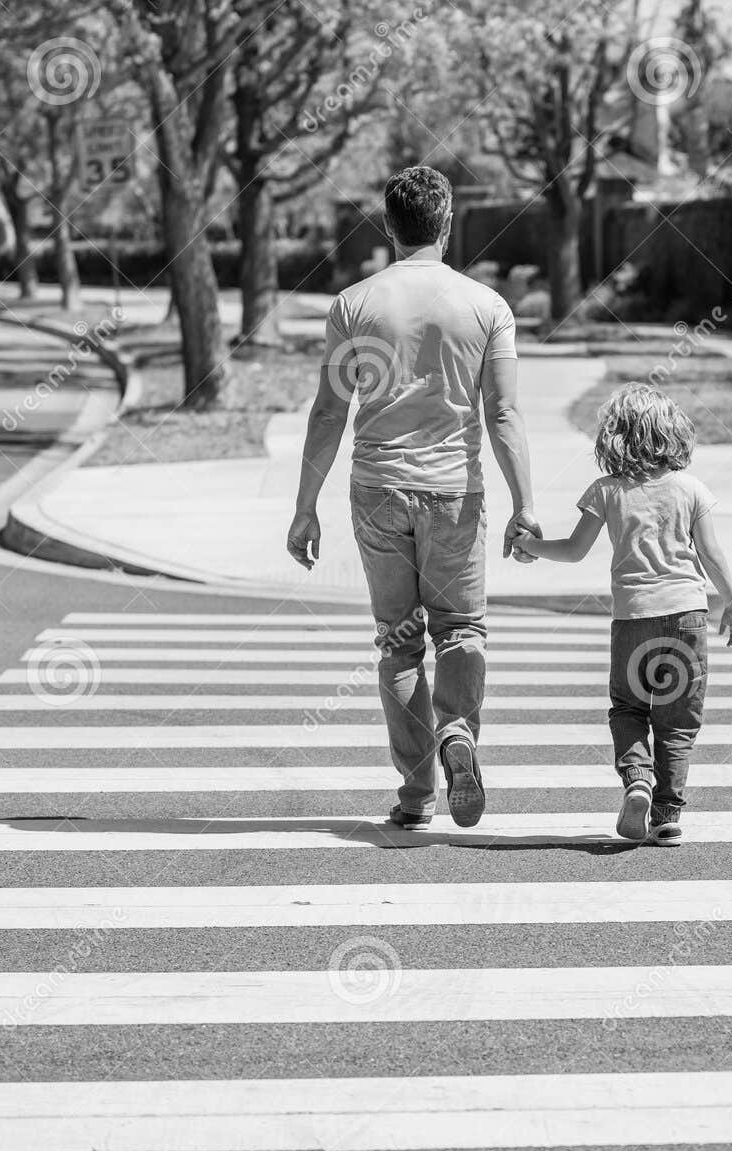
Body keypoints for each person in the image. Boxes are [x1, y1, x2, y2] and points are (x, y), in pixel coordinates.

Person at [286, 165, 539, 830]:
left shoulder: (353, 305)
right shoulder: (489, 308)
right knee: (461, 631)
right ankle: (459, 735)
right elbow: (505, 414)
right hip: (456, 490)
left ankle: (416, 794)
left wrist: (305, 505)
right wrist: (525, 503)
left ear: (390, 227)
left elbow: (327, 413)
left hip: (377, 489)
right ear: (448, 223)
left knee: (399, 644)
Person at [514, 382, 732, 846]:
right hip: (687, 621)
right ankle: (667, 814)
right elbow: (712, 553)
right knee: (679, 719)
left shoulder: (606, 492)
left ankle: (637, 778)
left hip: (634, 621)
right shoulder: (692, 489)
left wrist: (528, 546)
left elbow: (575, 551)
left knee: (629, 708)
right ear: (673, 434)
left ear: (614, 438)